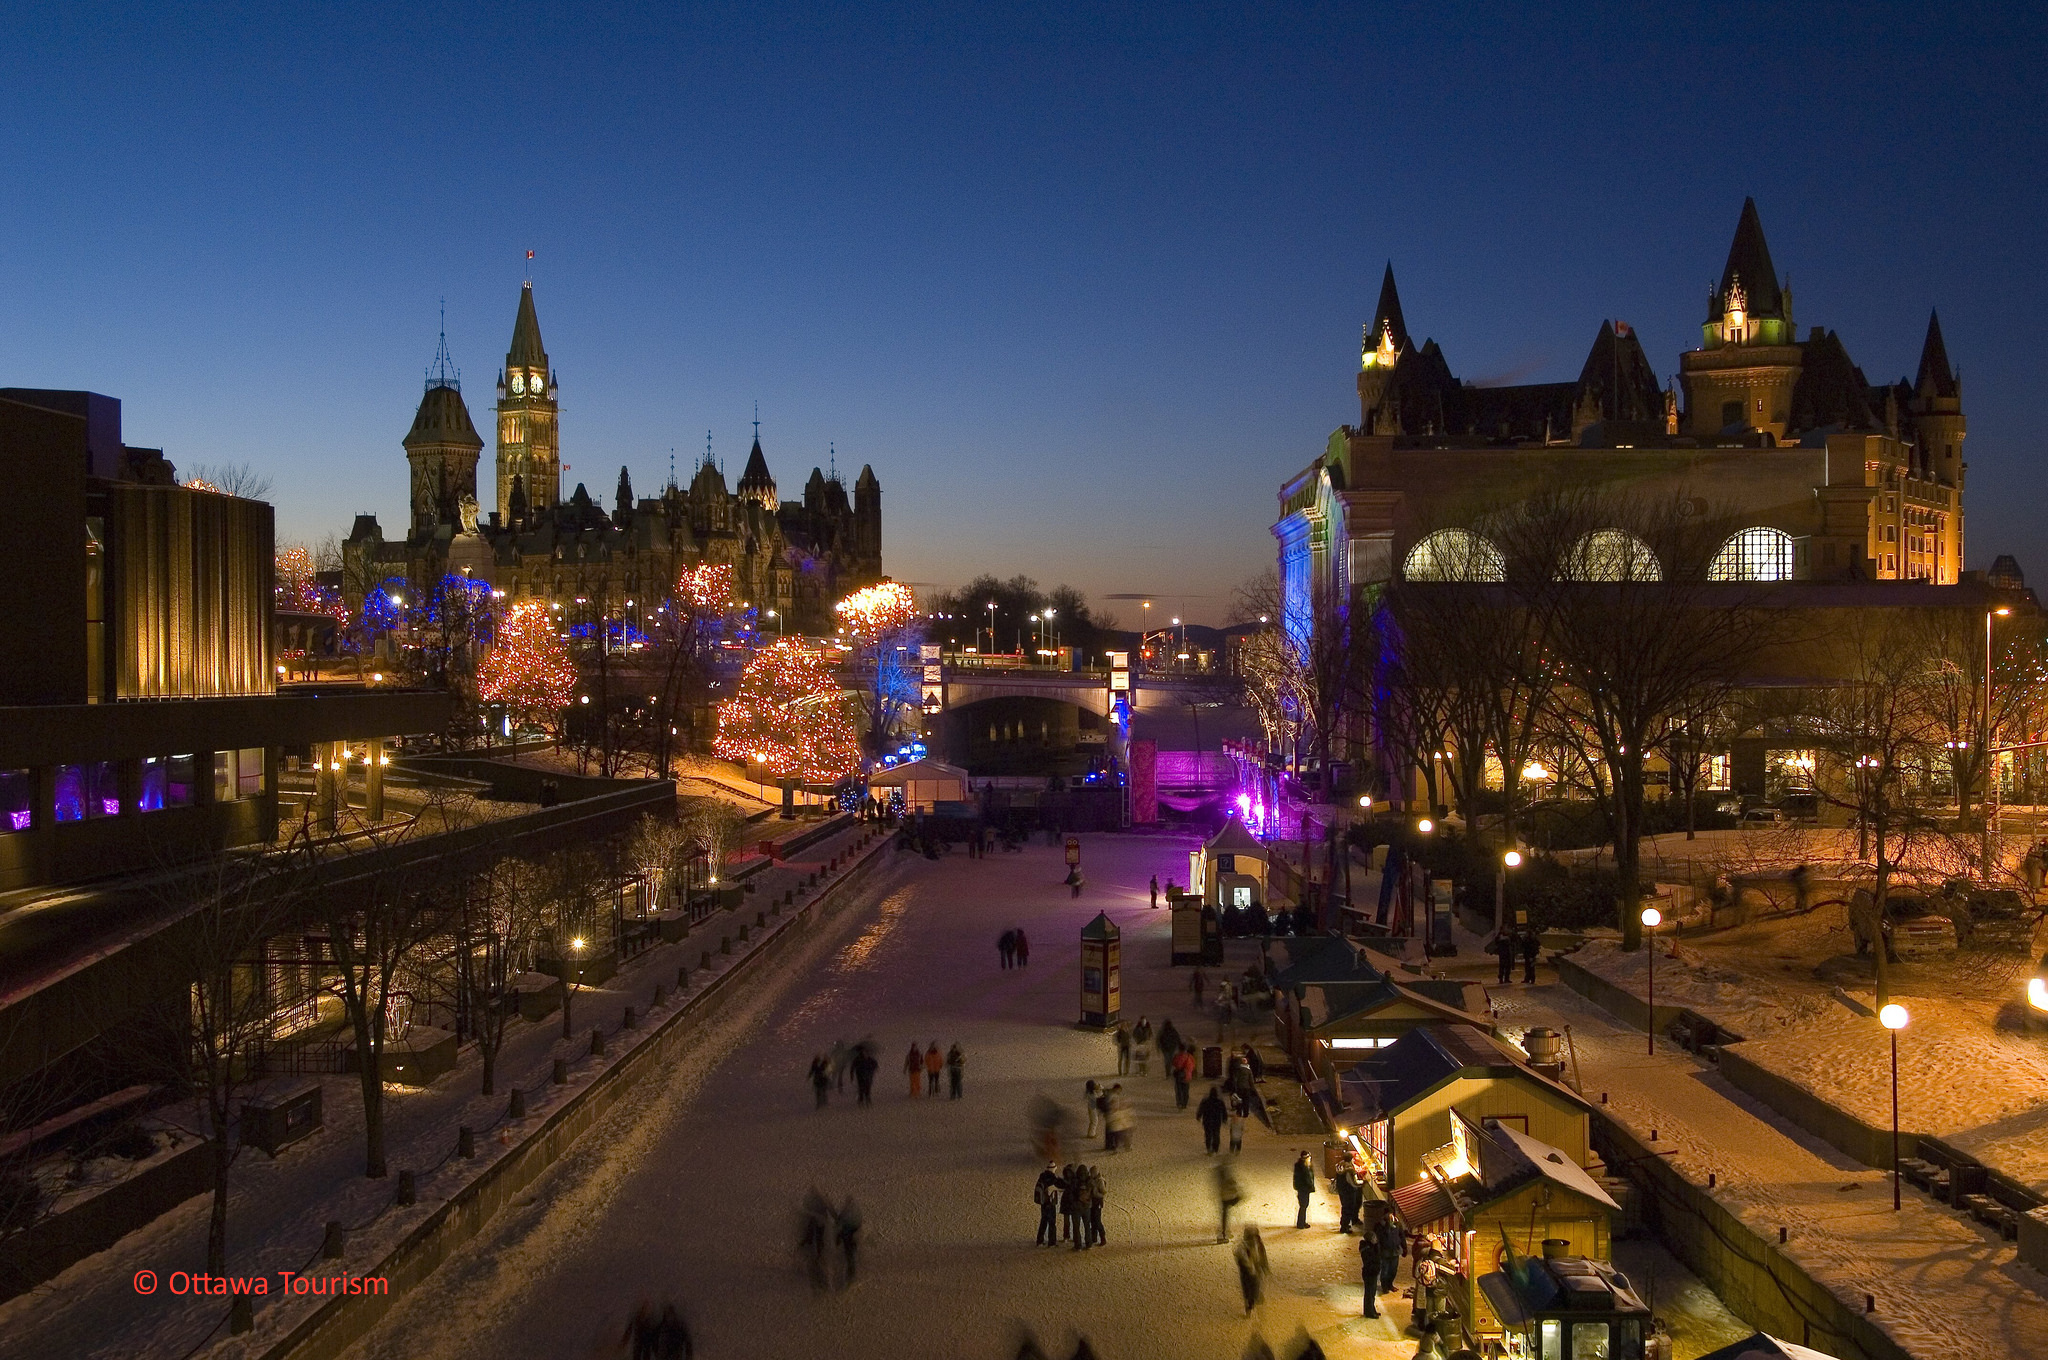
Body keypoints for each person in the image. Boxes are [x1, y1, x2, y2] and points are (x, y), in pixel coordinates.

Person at [799, 1188, 833, 1291]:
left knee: (816, 1259)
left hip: (815, 1232)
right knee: (818, 1253)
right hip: (818, 1230)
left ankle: (821, 1283)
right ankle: (822, 1283)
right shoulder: (821, 1206)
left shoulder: (813, 1207)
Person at [1233, 1224, 1270, 1314]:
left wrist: (1264, 1266)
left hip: (1257, 1267)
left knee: (1258, 1283)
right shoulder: (1243, 1247)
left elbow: (1262, 1254)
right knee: (1247, 1288)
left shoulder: (1259, 1244)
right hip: (1247, 1271)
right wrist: (1250, 1267)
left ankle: (1255, 1296)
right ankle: (1250, 1303)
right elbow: (1241, 1258)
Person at [835, 1196, 863, 1287]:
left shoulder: (847, 1215)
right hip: (849, 1241)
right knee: (849, 1258)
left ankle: (850, 1276)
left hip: (848, 1241)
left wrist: (838, 1238)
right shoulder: (852, 1216)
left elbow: (840, 1222)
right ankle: (849, 1276)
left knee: (849, 1258)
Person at [1214, 1161, 1243, 1243]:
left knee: (1224, 1215)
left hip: (1224, 1197)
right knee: (1225, 1215)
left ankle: (1224, 1232)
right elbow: (1231, 1185)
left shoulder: (1219, 1175)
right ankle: (1223, 1234)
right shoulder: (1226, 1176)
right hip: (1227, 1197)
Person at [1034, 1162, 1062, 1246]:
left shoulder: (1042, 1177)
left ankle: (1039, 1240)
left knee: (1043, 1221)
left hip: (1043, 1203)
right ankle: (1052, 1242)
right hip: (1050, 1203)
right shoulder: (1052, 1179)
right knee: (1052, 1223)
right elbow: (1060, 1186)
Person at [1377, 1213, 1406, 1294]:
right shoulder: (1380, 1226)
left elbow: (1402, 1236)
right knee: (1385, 1270)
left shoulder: (1398, 1224)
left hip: (1395, 1252)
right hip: (1385, 1252)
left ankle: (1390, 1284)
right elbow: (1378, 1238)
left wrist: (1404, 1248)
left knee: (1393, 1270)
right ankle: (1384, 1286)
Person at [1066, 1165, 1094, 1250]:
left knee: (1076, 1227)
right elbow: (1094, 1193)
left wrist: (1073, 1203)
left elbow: (1070, 1194)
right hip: (1086, 1207)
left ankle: (1078, 1245)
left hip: (1076, 1208)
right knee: (1087, 1226)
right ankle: (1089, 1243)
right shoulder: (1089, 1181)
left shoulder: (1075, 1181)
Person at [1334, 1158, 1362, 1234]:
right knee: (1348, 1208)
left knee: (1345, 1208)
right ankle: (1345, 1227)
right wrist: (1363, 1182)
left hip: (1342, 1192)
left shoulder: (1340, 1166)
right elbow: (1354, 1183)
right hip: (1349, 1192)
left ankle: (1345, 1224)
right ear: (1350, 1160)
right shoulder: (1349, 1171)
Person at [1197, 1085, 1228, 1153]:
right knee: (1216, 1133)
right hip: (1216, 1120)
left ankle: (1208, 1148)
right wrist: (1224, 1119)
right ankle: (1215, 1148)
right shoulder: (1220, 1101)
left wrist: (1198, 1116)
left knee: (1208, 1134)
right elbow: (1224, 1111)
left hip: (1207, 1120)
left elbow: (1201, 1109)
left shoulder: (1205, 1101)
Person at [1106, 1083, 1134, 1152]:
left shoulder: (1113, 1096)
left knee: (1118, 1137)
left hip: (1118, 1125)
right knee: (1121, 1136)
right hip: (1119, 1125)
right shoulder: (1112, 1097)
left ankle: (1117, 1147)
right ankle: (1124, 1146)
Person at [1292, 1150, 1316, 1228]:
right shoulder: (1304, 1167)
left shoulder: (1300, 1165)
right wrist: (1310, 1186)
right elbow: (1307, 1178)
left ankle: (1302, 1222)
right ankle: (1300, 1223)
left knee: (1304, 1205)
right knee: (1303, 1206)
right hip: (1304, 1188)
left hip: (1302, 1188)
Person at [1359, 1232, 1380, 1317]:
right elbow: (1372, 1259)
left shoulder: (1372, 1247)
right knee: (1369, 1293)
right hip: (1369, 1272)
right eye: (1374, 1238)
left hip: (1373, 1272)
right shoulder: (1367, 1249)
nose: (1376, 1239)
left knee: (1372, 1293)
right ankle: (1369, 1311)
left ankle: (1371, 1309)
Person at [1086, 1165, 1107, 1247]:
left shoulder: (1100, 1181)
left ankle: (1102, 1238)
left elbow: (1103, 1193)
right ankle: (1093, 1237)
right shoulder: (1092, 1180)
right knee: (1092, 1220)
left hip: (1097, 1202)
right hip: (1092, 1202)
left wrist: (1094, 1191)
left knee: (1097, 1221)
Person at [1172, 1044, 1196, 1110]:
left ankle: (1180, 1103)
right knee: (1185, 1090)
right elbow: (1193, 1065)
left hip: (1180, 1075)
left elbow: (1175, 1064)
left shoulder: (1178, 1056)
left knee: (1179, 1090)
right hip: (1187, 1076)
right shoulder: (1189, 1056)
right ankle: (1185, 1103)